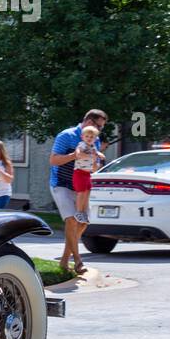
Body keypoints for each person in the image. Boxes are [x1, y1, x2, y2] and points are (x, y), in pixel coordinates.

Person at [51, 108, 109, 273]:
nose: (99, 131)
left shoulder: (94, 141)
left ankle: (64, 260)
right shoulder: (66, 136)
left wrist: (96, 164)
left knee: (83, 222)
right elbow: (53, 160)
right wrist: (75, 156)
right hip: (62, 183)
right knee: (72, 220)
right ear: (90, 122)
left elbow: (93, 166)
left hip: (82, 185)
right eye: (99, 126)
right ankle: (77, 261)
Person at [72, 124, 102, 226]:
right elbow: (78, 154)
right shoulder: (82, 145)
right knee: (81, 193)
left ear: (95, 138)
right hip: (79, 173)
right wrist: (92, 156)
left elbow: (95, 166)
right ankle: (79, 212)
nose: (89, 139)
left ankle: (83, 212)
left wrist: (96, 157)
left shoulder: (93, 148)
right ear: (82, 137)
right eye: (87, 136)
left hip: (87, 174)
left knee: (87, 193)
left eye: (92, 137)